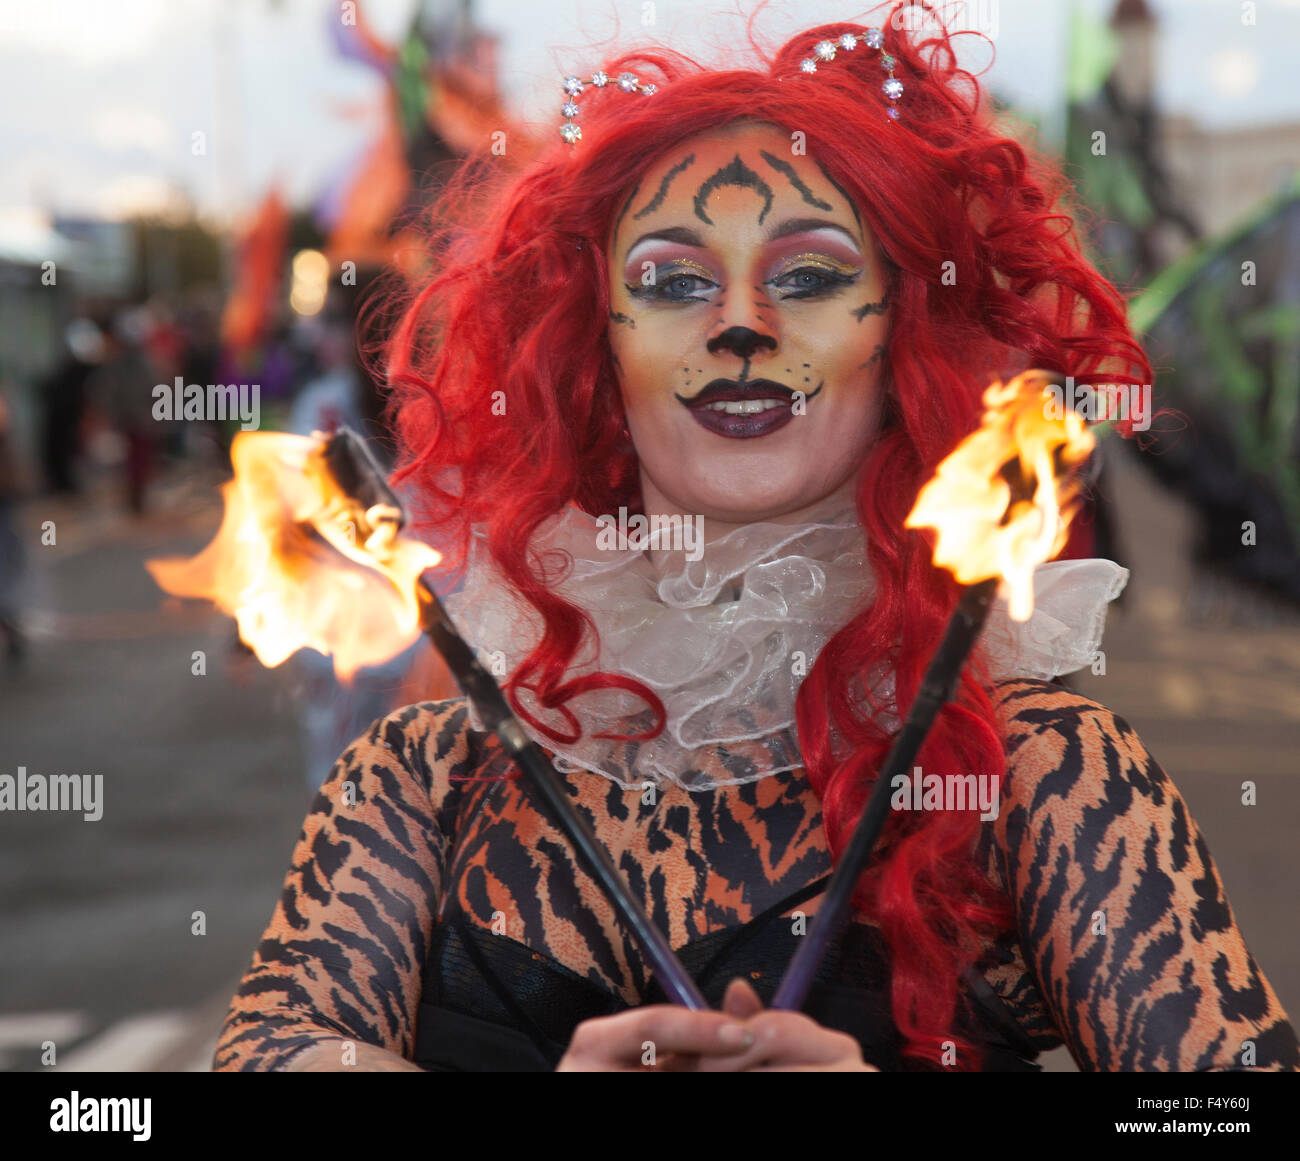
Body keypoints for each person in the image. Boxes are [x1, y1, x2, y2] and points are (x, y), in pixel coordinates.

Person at [213, 10, 1298, 1072]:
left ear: (902, 335)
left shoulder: (1038, 774)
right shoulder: (422, 775)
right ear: (595, 345)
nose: (739, 325)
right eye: (674, 281)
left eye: (810, 277)